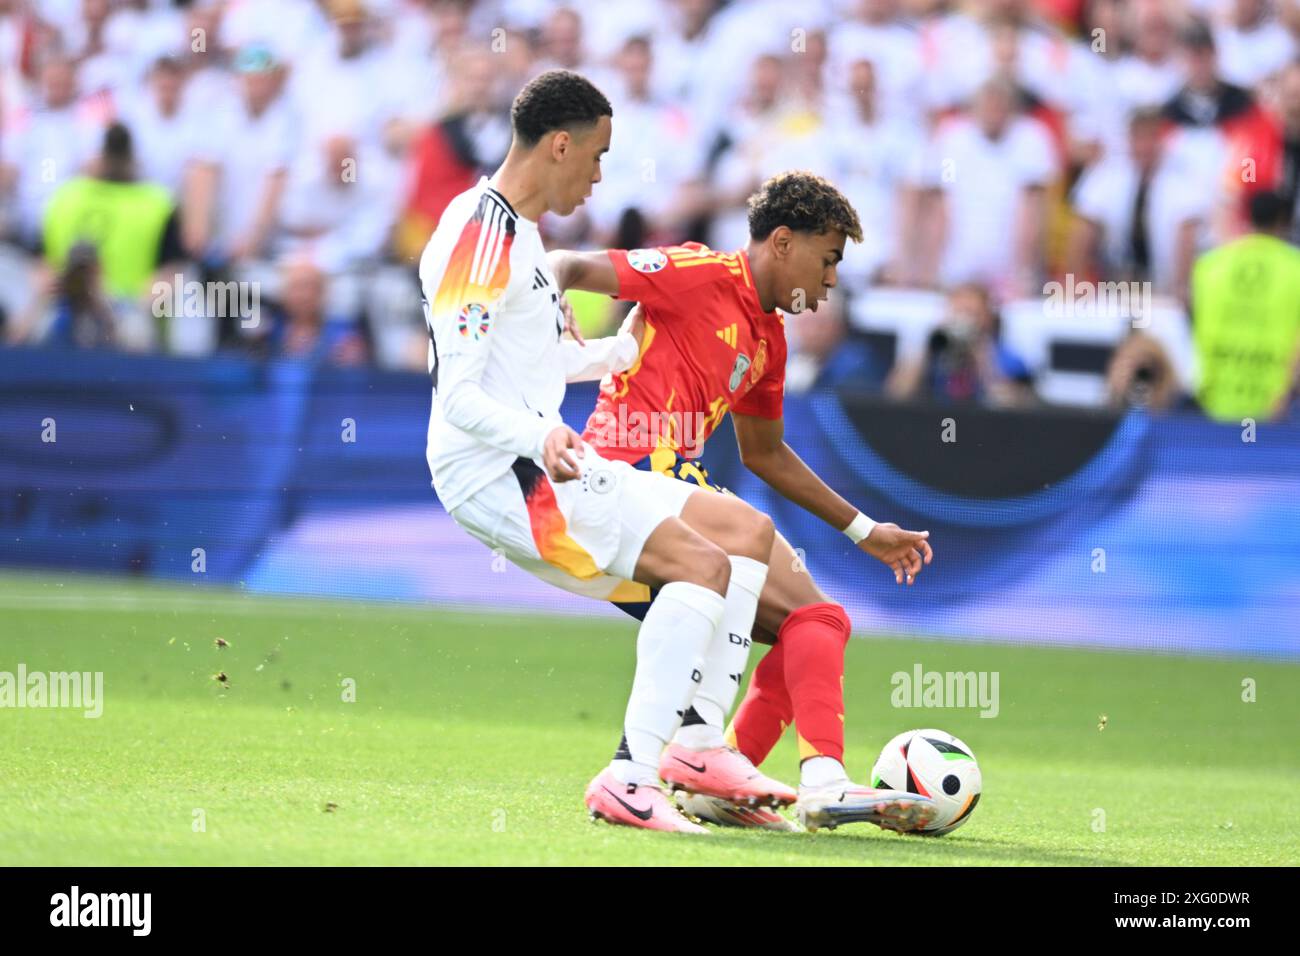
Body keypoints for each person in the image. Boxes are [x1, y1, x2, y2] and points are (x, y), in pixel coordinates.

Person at [421, 70, 824, 834]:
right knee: (701, 565)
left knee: (744, 534)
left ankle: (702, 750)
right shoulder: (480, 236)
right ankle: (633, 775)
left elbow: (527, 364)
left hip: (537, 457)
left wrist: (609, 355)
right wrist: (540, 434)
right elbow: (459, 398)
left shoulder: (522, 236)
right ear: (560, 145)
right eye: (598, 156)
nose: (601, 174)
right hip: (499, 473)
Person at [547, 170, 939, 833]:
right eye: (829, 258)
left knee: (817, 621)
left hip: (681, 487)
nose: (832, 280)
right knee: (750, 529)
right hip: (618, 468)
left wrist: (863, 529)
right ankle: (697, 752)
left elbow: (764, 453)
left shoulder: (770, 339)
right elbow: (563, 261)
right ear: (783, 242)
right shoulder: (695, 270)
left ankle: (803, 780)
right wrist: (552, 305)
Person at [1191, 190, 1300, 422]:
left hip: (1213, 399)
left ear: (1248, 217)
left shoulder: (1210, 264)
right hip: (1274, 405)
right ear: (1284, 221)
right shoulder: (1295, 267)